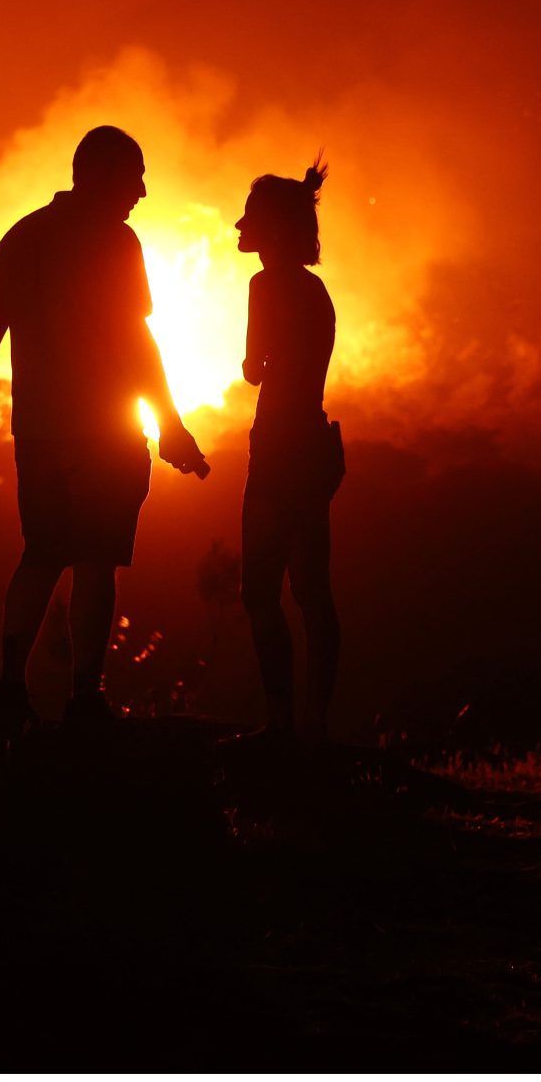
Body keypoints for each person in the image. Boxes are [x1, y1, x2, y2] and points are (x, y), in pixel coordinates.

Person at [0, 125, 209, 732]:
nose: (141, 189)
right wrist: (170, 425)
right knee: (96, 564)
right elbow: (137, 343)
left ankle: (10, 689)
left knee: (40, 556)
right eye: (134, 175)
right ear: (103, 174)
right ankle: (86, 700)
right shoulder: (117, 243)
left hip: (38, 431)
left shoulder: (26, 234)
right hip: (103, 433)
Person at [235, 158, 344, 742]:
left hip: (278, 445)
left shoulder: (265, 285)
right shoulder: (315, 290)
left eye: (248, 216)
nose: (237, 225)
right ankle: (315, 722)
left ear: (272, 228)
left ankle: (281, 722)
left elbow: (253, 369)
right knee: (312, 590)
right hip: (312, 439)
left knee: (260, 591)